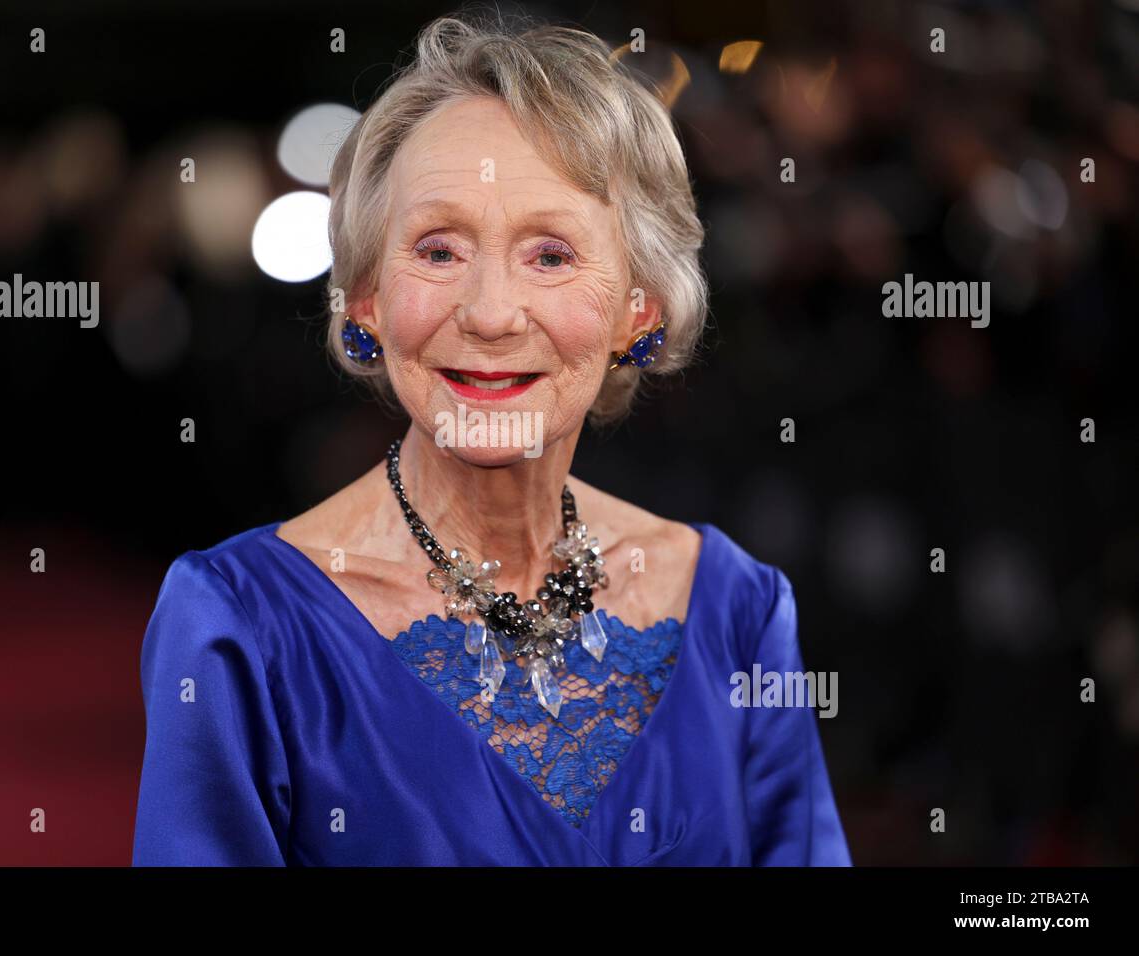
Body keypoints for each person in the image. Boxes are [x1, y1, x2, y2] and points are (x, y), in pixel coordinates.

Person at [131, 13, 852, 866]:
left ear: (640, 308)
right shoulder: (237, 626)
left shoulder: (738, 609)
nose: (488, 313)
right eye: (437, 251)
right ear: (364, 298)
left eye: (550, 255)